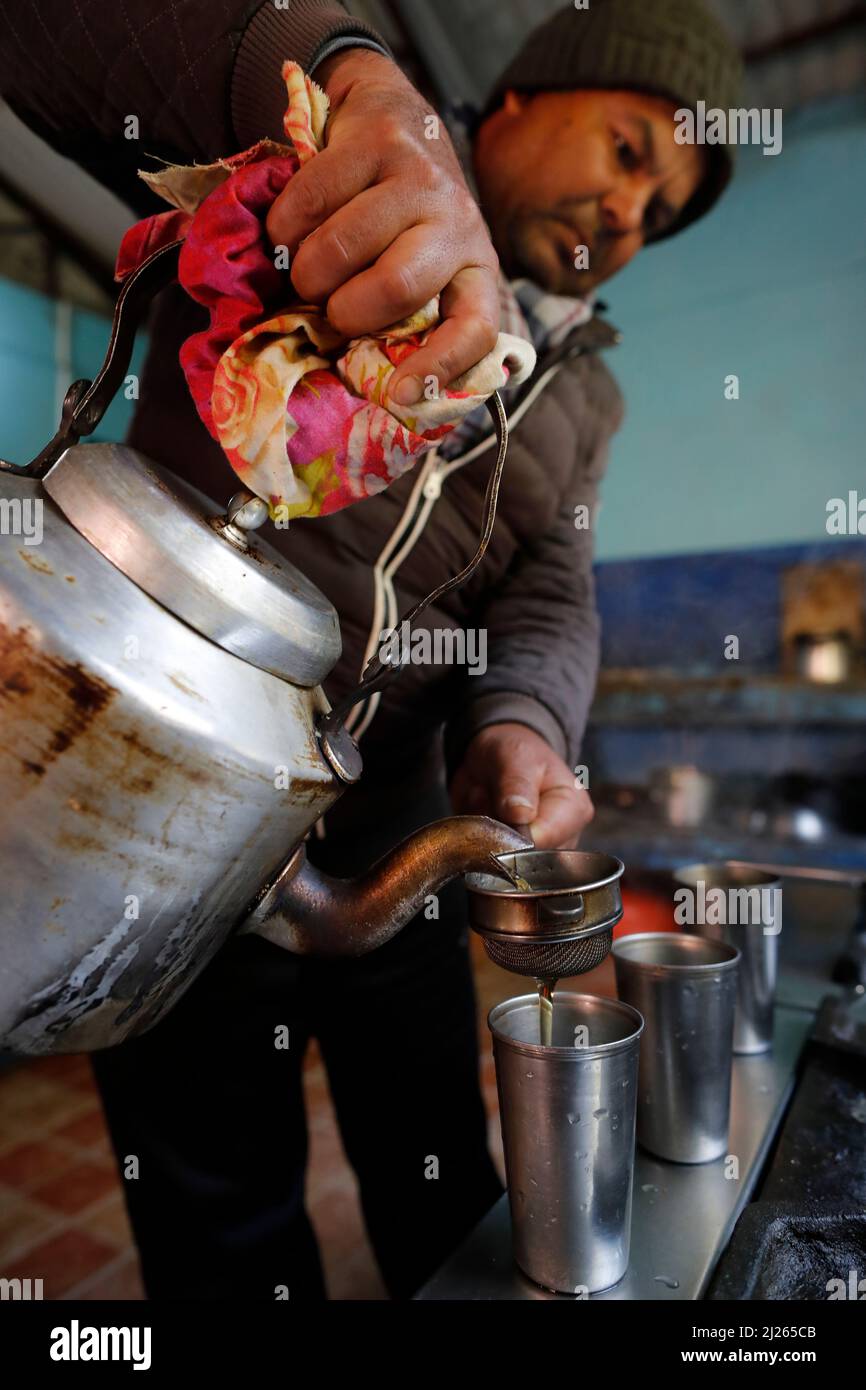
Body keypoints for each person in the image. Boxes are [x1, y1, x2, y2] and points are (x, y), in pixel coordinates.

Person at [0, 0, 742, 1298]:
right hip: (179, 833)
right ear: (515, 101)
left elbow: (551, 591)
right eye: (629, 152)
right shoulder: (325, 176)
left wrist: (523, 726)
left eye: (662, 213)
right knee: (217, 1217)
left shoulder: (582, 393)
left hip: (396, 854)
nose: (631, 217)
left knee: (438, 1182)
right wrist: (336, 75)